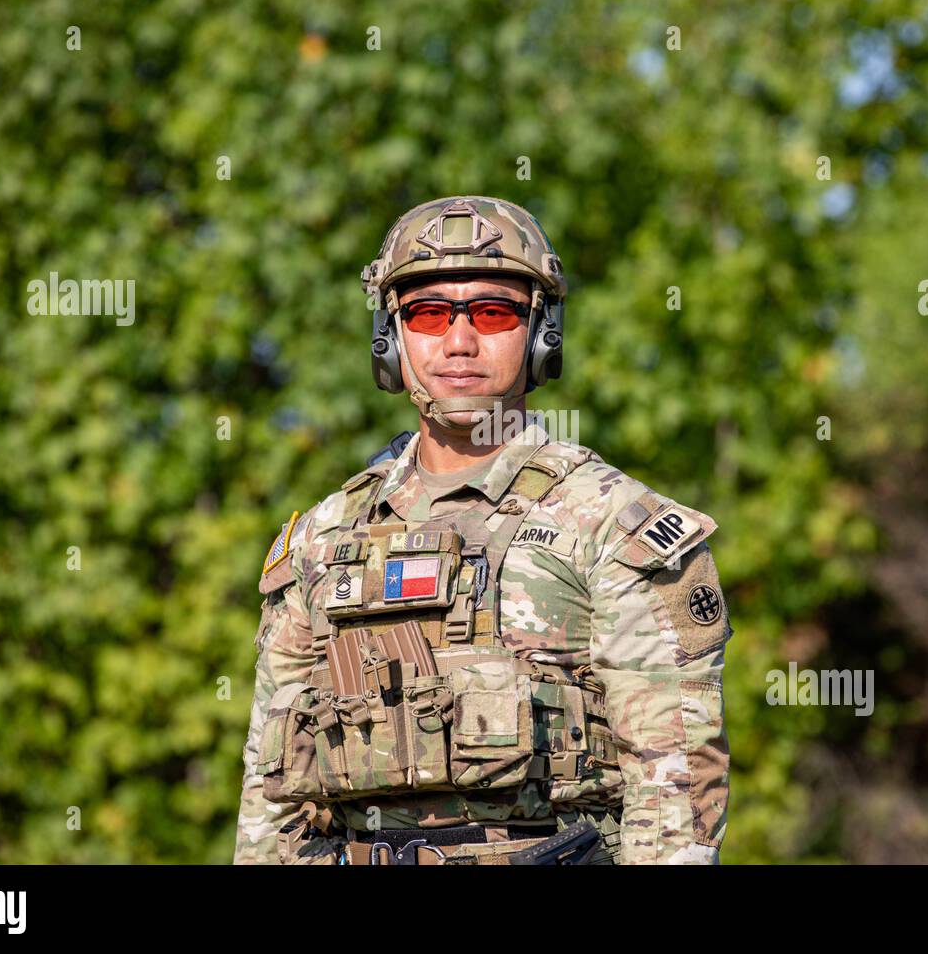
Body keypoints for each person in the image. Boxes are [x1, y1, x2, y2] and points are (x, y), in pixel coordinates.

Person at [233, 196, 730, 865]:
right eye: (428, 313)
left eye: (493, 312)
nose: (459, 341)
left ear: (541, 333)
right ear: (390, 339)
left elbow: (674, 793)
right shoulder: (324, 538)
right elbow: (271, 802)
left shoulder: (612, 525)